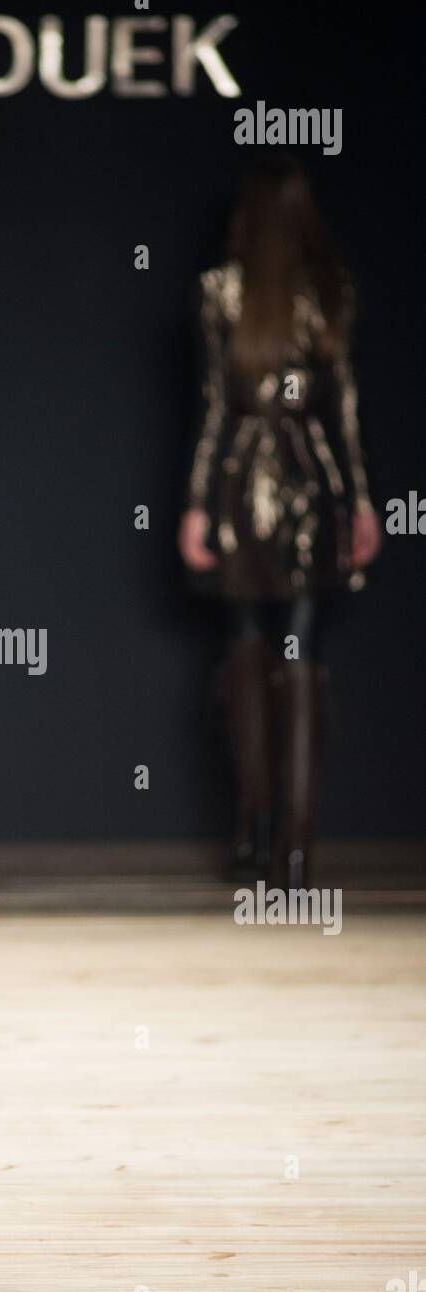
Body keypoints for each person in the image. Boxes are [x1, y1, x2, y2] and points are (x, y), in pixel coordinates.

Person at [177, 155, 381, 891]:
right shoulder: (324, 292)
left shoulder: (225, 291)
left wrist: (200, 502)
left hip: (242, 482)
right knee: (292, 653)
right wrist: (358, 500)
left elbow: (215, 407)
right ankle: (288, 845)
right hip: (309, 481)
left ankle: (261, 831)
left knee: (252, 649)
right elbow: (342, 411)